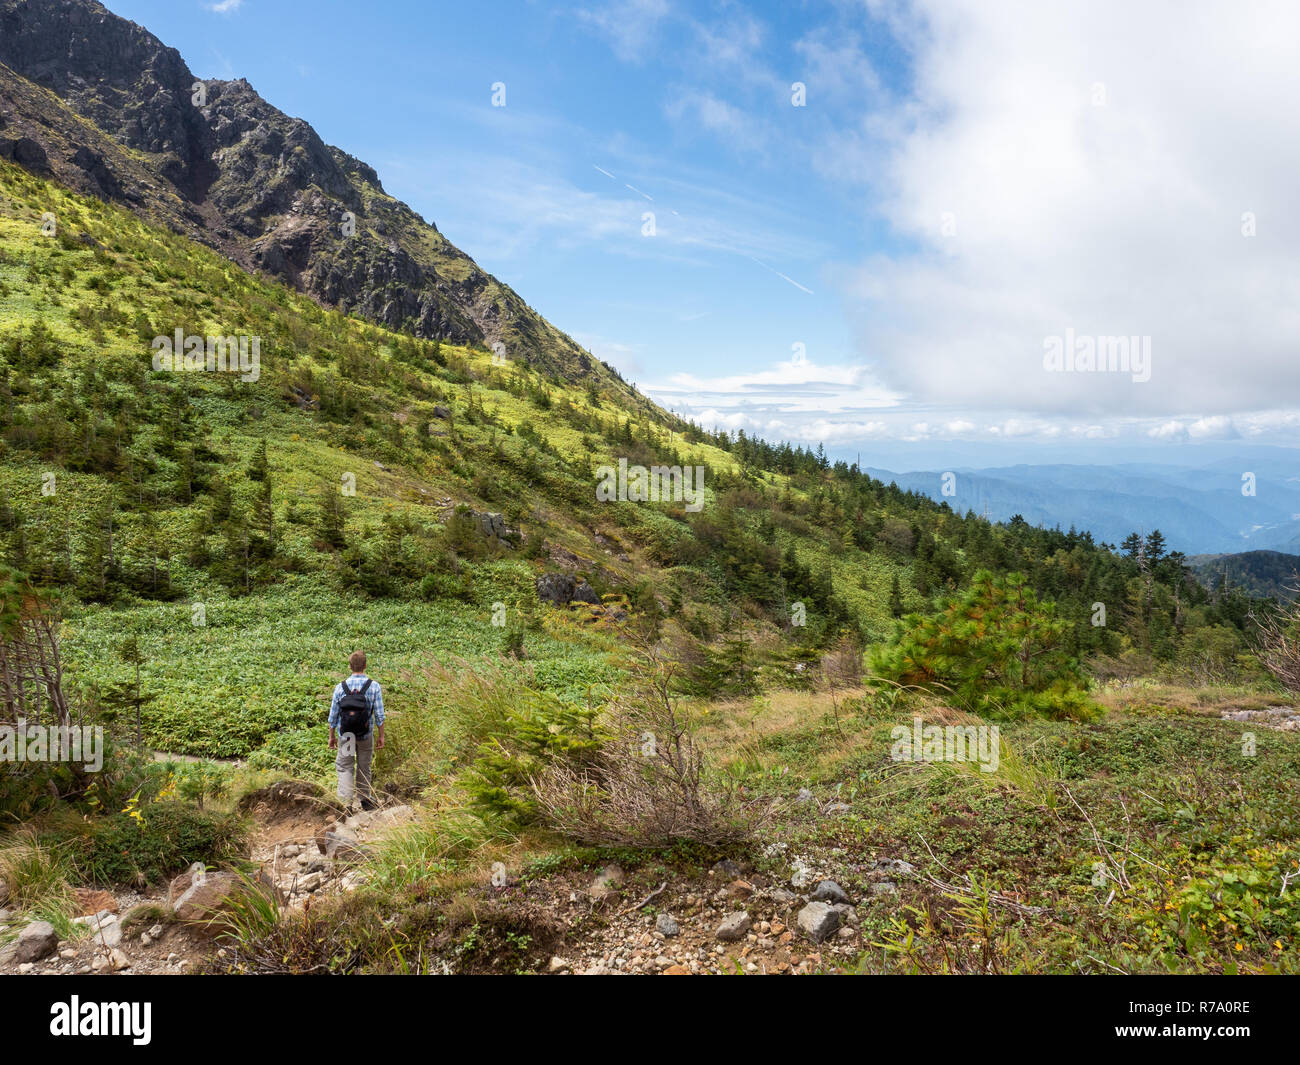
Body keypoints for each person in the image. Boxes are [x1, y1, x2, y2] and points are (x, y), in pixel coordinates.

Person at [327, 651, 385, 811]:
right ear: (365, 665)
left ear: (350, 666)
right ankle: (364, 799)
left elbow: (333, 716)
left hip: (347, 735)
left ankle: (346, 803)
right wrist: (381, 736)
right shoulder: (374, 687)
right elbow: (379, 715)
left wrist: (331, 737)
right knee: (364, 765)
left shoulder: (341, 687)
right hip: (365, 735)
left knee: (345, 766)